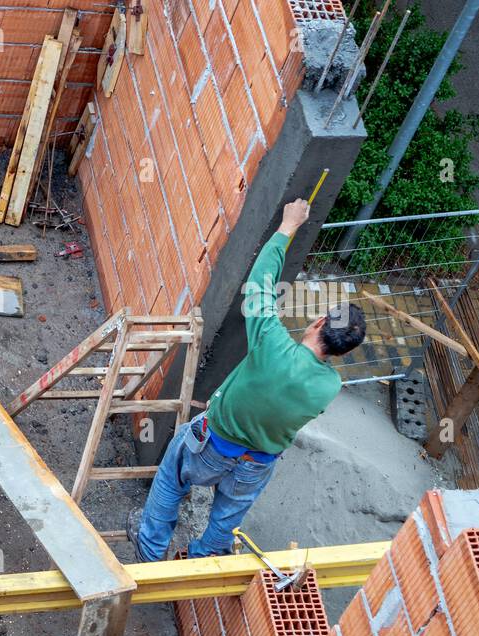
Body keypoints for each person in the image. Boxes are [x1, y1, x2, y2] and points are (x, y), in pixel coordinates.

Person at [130, 198, 366, 562]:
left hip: (212, 444)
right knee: (225, 521)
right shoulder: (329, 386)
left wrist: (287, 227)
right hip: (257, 465)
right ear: (343, 352)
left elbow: (259, 285)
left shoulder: (272, 342)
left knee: (171, 478)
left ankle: (150, 551)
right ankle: (198, 562)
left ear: (319, 323)